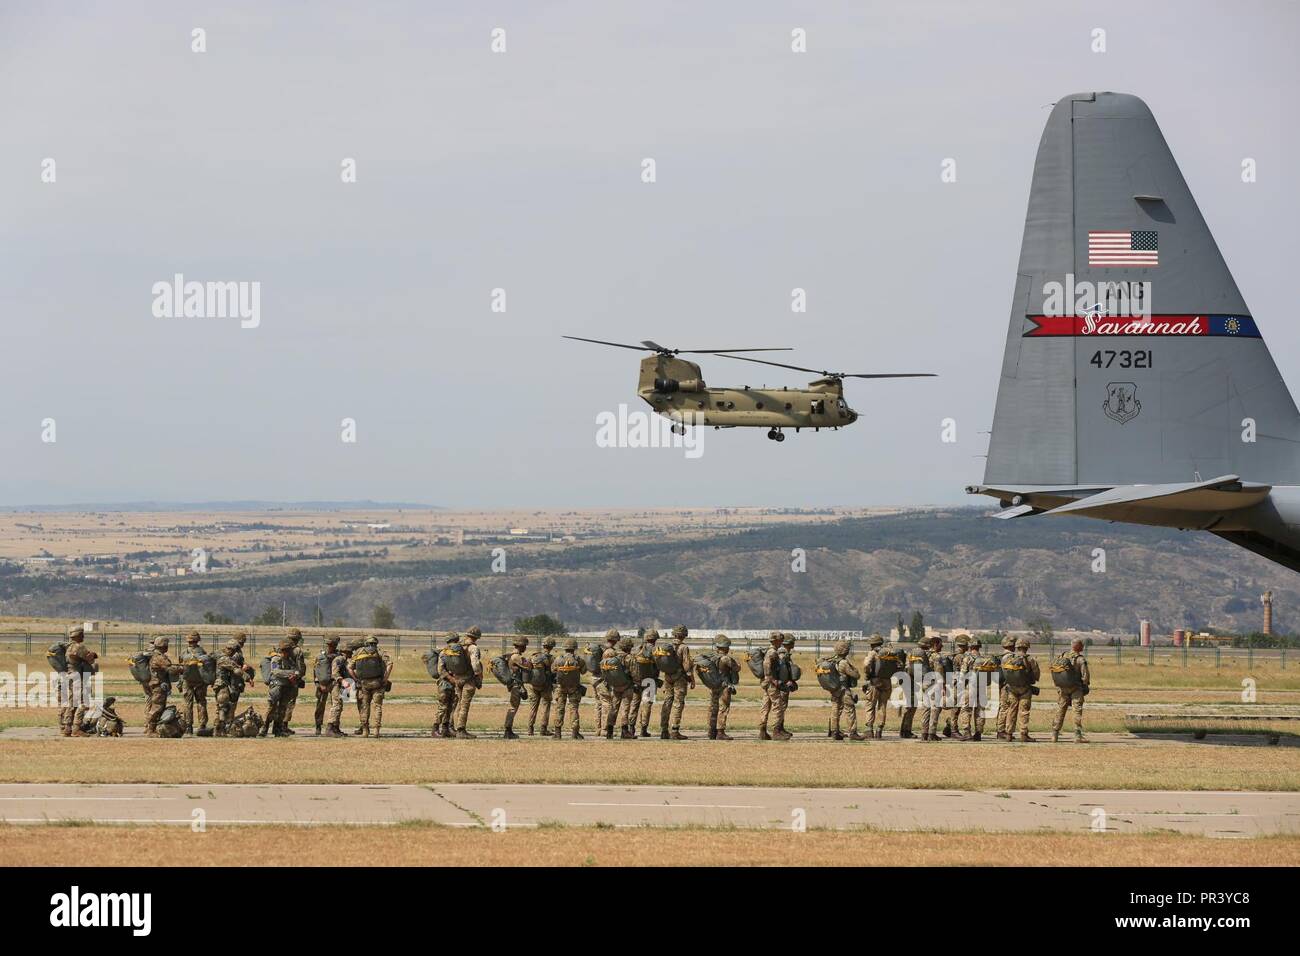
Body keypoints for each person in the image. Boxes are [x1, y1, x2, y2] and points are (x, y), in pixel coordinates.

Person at [350, 636, 393, 738]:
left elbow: (349, 667)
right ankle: (376, 730)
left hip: (364, 684)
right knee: (377, 707)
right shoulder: (379, 652)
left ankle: (365, 731)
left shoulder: (359, 652)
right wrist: (385, 679)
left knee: (365, 707)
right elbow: (390, 664)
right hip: (378, 683)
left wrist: (356, 679)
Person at [657, 625, 694, 740]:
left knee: (667, 702)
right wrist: (691, 679)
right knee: (678, 703)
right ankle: (675, 730)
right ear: (684, 635)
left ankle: (663, 730)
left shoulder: (667, 647)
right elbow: (687, 666)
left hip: (668, 677)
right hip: (679, 678)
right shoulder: (684, 647)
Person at [213, 638, 254, 737]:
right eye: (234, 651)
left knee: (222, 707)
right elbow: (236, 670)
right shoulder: (225, 659)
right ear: (231, 649)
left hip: (223, 684)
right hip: (221, 684)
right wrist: (248, 678)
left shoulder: (219, 654)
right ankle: (220, 730)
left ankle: (219, 730)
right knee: (223, 707)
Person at [1052, 640, 1091, 743]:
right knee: (1077, 711)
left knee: (1060, 710)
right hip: (1076, 688)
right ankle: (1078, 736)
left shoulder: (1062, 656)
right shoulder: (1080, 659)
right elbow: (1085, 676)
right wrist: (1085, 686)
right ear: (1079, 647)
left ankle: (1054, 734)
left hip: (1062, 688)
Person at [1002, 638, 1040, 743]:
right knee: (1024, 711)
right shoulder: (1030, 659)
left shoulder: (1007, 659)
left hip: (1011, 689)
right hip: (1025, 689)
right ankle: (1023, 734)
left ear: (1017, 647)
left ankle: (1008, 734)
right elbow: (1036, 675)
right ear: (1027, 647)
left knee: (1011, 710)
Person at [144, 637, 183, 738]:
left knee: (159, 708)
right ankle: (150, 730)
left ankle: (153, 729)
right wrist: (181, 668)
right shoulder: (159, 657)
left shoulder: (157, 655)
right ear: (163, 646)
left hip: (160, 685)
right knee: (157, 708)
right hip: (158, 686)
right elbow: (170, 669)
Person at [550, 637, 588, 739]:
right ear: (574, 648)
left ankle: (557, 733)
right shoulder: (578, 660)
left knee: (559, 709)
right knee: (574, 709)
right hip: (574, 688)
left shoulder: (558, 659)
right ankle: (575, 733)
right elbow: (584, 671)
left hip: (560, 688)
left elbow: (553, 670)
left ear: (564, 648)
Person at [260, 639, 300, 737]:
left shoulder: (289, 660)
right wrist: (291, 673)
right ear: (284, 650)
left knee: (282, 709)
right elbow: (275, 671)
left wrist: (295, 675)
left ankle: (278, 729)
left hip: (287, 687)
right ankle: (264, 728)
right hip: (276, 687)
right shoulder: (276, 659)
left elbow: (297, 670)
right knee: (272, 708)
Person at [827, 640, 866, 741]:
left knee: (835, 710)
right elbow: (856, 675)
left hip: (835, 690)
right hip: (844, 690)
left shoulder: (832, 661)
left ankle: (835, 732)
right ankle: (853, 733)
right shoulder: (843, 663)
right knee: (850, 710)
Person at [64, 626, 98, 738]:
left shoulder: (68, 647)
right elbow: (90, 659)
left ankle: (67, 728)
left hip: (69, 675)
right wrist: (93, 655)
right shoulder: (79, 647)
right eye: (82, 635)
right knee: (83, 702)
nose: (83, 636)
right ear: (78, 636)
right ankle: (77, 728)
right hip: (78, 677)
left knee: (71, 702)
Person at [704, 636, 740, 741]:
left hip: (713, 685)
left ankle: (711, 731)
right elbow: (737, 668)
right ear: (725, 647)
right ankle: (720, 732)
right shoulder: (725, 658)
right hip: (724, 686)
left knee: (713, 707)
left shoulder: (712, 657)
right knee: (723, 708)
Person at [602, 637, 638, 739]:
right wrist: (636, 683)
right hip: (627, 686)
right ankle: (624, 731)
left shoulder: (614, 656)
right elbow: (635, 674)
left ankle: (609, 731)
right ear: (629, 647)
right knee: (625, 709)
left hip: (615, 686)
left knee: (613, 708)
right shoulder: (629, 658)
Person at [452, 626, 484, 738]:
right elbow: (475, 664)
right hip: (468, 680)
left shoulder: (459, 646)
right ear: (477, 637)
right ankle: (461, 730)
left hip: (457, 678)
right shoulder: (473, 648)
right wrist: (478, 676)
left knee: (458, 704)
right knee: (464, 705)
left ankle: (453, 727)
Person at [630, 629, 661, 738]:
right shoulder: (655, 650)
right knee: (647, 705)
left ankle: (631, 728)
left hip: (635, 682)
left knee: (634, 705)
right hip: (650, 681)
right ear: (655, 639)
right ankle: (644, 729)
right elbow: (659, 664)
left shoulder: (635, 650)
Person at [179, 630, 211, 736]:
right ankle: (202, 725)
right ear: (198, 640)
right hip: (200, 682)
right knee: (201, 702)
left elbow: (181, 669)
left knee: (187, 704)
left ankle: (188, 727)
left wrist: (180, 683)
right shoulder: (202, 652)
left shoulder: (183, 653)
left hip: (187, 681)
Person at [431, 633, 462, 737]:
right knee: (442, 707)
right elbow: (441, 670)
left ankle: (445, 728)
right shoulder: (444, 653)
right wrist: (451, 678)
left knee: (450, 707)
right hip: (444, 683)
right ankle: (435, 729)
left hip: (453, 683)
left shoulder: (456, 652)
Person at [861, 634, 891, 739]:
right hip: (887, 682)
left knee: (870, 705)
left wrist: (867, 675)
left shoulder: (873, 653)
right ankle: (879, 730)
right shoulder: (888, 652)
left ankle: (869, 730)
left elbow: (866, 665)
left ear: (871, 644)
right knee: (882, 706)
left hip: (874, 681)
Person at [758, 632, 786, 741]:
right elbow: (767, 666)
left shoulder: (770, 651)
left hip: (767, 683)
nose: (781, 643)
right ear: (775, 641)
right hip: (771, 684)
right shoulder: (772, 652)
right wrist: (773, 680)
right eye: (780, 640)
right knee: (777, 705)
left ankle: (762, 730)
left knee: (765, 706)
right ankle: (776, 731)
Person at [526, 636, 556, 736]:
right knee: (545, 707)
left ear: (543, 645)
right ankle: (543, 729)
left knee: (533, 708)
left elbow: (527, 668)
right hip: (545, 686)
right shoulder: (551, 658)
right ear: (552, 647)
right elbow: (553, 672)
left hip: (533, 686)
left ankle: (530, 729)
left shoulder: (533, 656)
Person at [957, 639, 987, 741]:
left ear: (970, 647)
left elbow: (962, 675)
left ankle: (967, 732)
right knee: (980, 710)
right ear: (979, 647)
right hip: (982, 688)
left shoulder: (967, 659)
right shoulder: (984, 659)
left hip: (970, 687)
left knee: (966, 709)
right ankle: (978, 733)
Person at [898, 641, 928, 739]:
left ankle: (904, 731)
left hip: (906, 681)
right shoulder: (920, 654)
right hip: (909, 683)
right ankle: (906, 731)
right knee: (910, 708)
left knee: (910, 707)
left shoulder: (911, 653)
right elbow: (919, 671)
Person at [313, 636, 342, 735]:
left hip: (334, 683)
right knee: (320, 706)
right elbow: (316, 670)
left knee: (337, 704)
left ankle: (334, 726)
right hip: (322, 684)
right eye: (329, 645)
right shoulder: (320, 656)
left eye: (332, 645)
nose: (330, 646)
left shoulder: (338, 655)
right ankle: (318, 726)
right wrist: (318, 683)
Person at [323, 638, 351, 737]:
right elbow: (334, 673)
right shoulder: (340, 659)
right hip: (335, 684)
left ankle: (335, 728)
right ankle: (330, 728)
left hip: (338, 685)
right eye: (350, 651)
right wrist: (342, 681)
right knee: (337, 705)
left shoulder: (343, 659)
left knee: (339, 705)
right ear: (347, 651)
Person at [503, 636, 530, 739]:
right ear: (521, 646)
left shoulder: (513, 655)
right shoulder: (516, 657)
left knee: (514, 706)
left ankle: (508, 730)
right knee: (513, 707)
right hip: (516, 685)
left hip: (516, 684)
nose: (525, 648)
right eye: (524, 646)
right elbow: (528, 667)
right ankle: (508, 730)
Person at [593, 629, 620, 731]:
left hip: (594, 679)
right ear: (615, 640)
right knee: (607, 703)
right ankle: (605, 729)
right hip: (603, 681)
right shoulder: (610, 651)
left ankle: (598, 729)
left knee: (598, 704)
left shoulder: (600, 648)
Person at [941, 638, 967, 738]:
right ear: (964, 646)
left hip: (952, 682)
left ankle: (949, 727)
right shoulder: (960, 657)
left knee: (955, 706)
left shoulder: (952, 655)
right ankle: (953, 729)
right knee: (956, 707)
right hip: (958, 684)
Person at [995, 634, 1017, 740]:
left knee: (1002, 707)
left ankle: (1000, 729)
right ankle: (1001, 731)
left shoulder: (1000, 656)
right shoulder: (1010, 657)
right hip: (1007, 685)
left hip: (1001, 684)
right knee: (1005, 707)